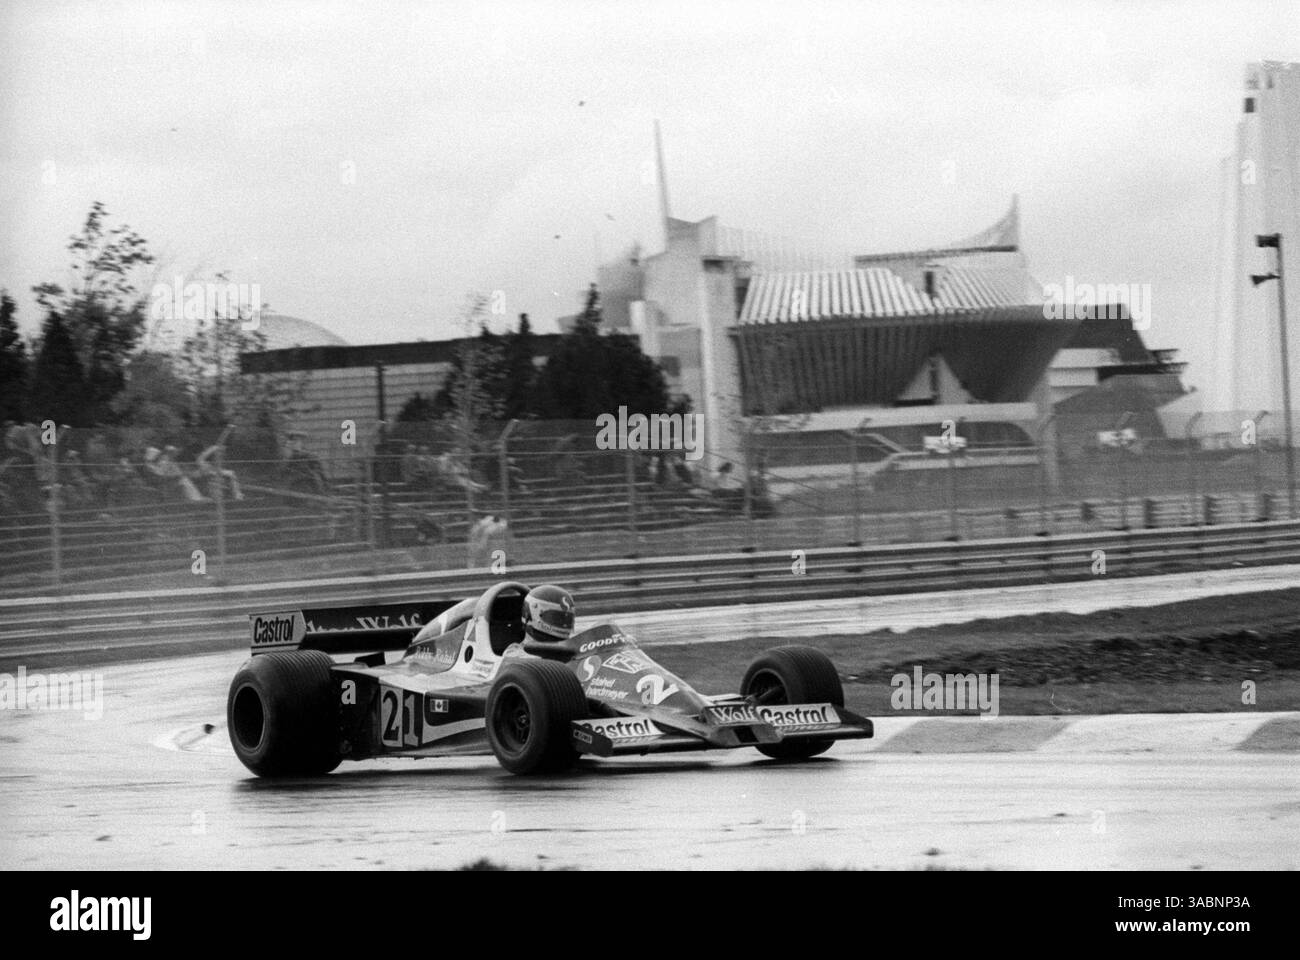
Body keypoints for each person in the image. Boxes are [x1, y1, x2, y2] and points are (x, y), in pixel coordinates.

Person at [196, 427, 245, 501]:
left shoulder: (225, 452)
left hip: (219, 478)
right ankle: (237, 496)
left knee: (231, 474)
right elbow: (200, 459)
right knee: (230, 474)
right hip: (211, 477)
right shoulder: (213, 452)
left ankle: (237, 495)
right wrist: (213, 449)